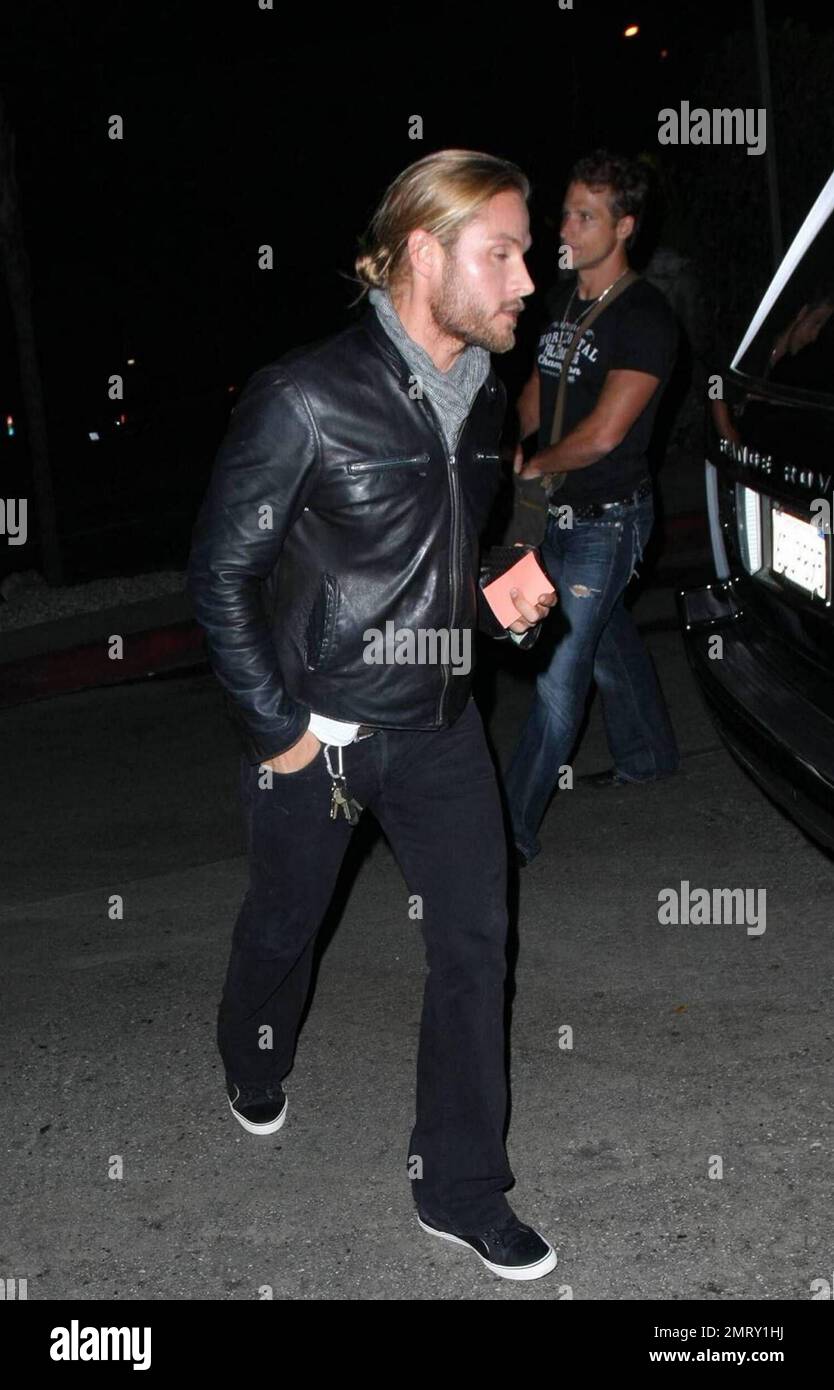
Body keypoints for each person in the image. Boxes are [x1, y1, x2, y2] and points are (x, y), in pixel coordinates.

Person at [186, 149, 559, 1281]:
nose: (528, 279)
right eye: (504, 253)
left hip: (444, 723)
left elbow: (454, 552)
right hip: (326, 731)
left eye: (528, 253)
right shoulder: (305, 394)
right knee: (286, 924)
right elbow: (220, 576)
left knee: (475, 946)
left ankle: (458, 1184)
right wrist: (283, 735)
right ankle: (252, 1056)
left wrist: (504, 592)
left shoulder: (487, 394)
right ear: (424, 254)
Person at [505, 150, 680, 867]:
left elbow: (606, 432)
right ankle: (651, 754)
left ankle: (506, 828)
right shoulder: (563, 303)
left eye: (585, 216)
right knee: (605, 637)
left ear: (626, 226)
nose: (566, 228)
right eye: (566, 212)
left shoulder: (646, 318)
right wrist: (513, 446)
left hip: (609, 520)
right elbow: (540, 390)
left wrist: (538, 465)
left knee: (558, 673)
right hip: (554, 512)